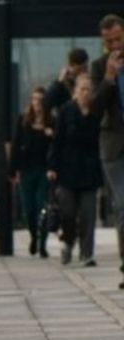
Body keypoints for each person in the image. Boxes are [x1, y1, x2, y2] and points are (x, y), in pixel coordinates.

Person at [48, 74, 102, 267]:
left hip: (90, 171)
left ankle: (87, 253)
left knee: (88, 214)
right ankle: (68, 243)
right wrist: (53, 167)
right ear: (75, 91)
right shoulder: (66, 111)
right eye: (82, 89)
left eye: (89, 89)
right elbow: (58, 140)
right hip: (68, 170)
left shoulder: (97, 112)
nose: (85, 93)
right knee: (68, 213)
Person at [91, 13, 124, 287]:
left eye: (119, 39)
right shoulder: (99, 66)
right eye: (109, 42)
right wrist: (109, 78)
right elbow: (94, 109)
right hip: (114, 147)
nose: (115, 46)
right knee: (123, 205)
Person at [11, 86, 55, 256]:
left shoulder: (52, 122)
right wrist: (13, 170)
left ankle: (42, 244)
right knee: (28, 209)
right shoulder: (23, 121)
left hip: (44, 169)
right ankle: (33, 237)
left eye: (40, 99)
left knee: (42, 206)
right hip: (26, 170)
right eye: (34, 99)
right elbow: (15, 145)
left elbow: (58, 145)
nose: (37, 103)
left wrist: (52, 134)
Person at [44, 48, 90, 113]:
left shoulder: (89, 82)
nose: (83, 72)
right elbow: (47, 102)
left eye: (85, 68)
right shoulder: (61, 85)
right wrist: (59, 81)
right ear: (71, 66)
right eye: (80, 69)